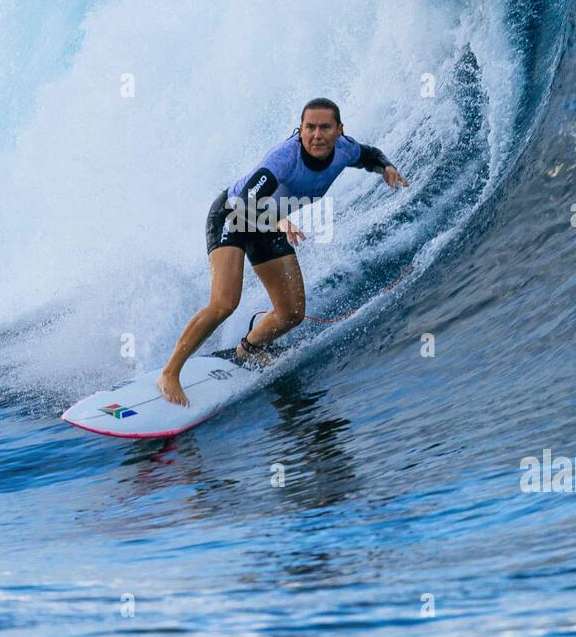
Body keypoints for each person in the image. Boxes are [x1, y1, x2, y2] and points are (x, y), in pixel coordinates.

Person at [157, 97, 408, 406]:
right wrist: (279, 219)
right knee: (224, 303)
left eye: (325, 127)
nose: (317, 135)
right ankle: (169, 373)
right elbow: (247, 199)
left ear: (340, 130)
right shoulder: (284, 158)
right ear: (300, 130)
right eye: (310, 127)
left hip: (270, 222)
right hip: (234, 214)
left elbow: (368, 155)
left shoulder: (344, 150)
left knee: (292, 313)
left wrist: (386, 167)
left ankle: (248, 347)